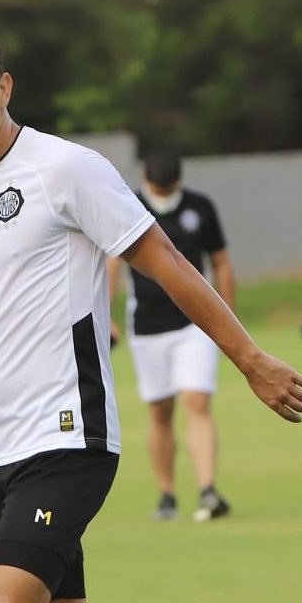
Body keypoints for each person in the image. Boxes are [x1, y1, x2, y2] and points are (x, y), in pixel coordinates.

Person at [0, 20, 302, 603]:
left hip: (69, 437)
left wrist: (250, 359)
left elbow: (167, 263)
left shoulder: (66, 168)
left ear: (4, 87)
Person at [105, 151, 235, 522]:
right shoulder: (129, 205)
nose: (164, 195)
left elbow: (221, 262)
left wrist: (229, 317)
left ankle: (208, 490)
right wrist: (108, 317)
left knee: (197, 401)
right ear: (146, 180)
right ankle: (167, 495)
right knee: (161, 410)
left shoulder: (201, 207)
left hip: (196, 324)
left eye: (169, 189)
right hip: (146, 325)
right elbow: (112, 264)